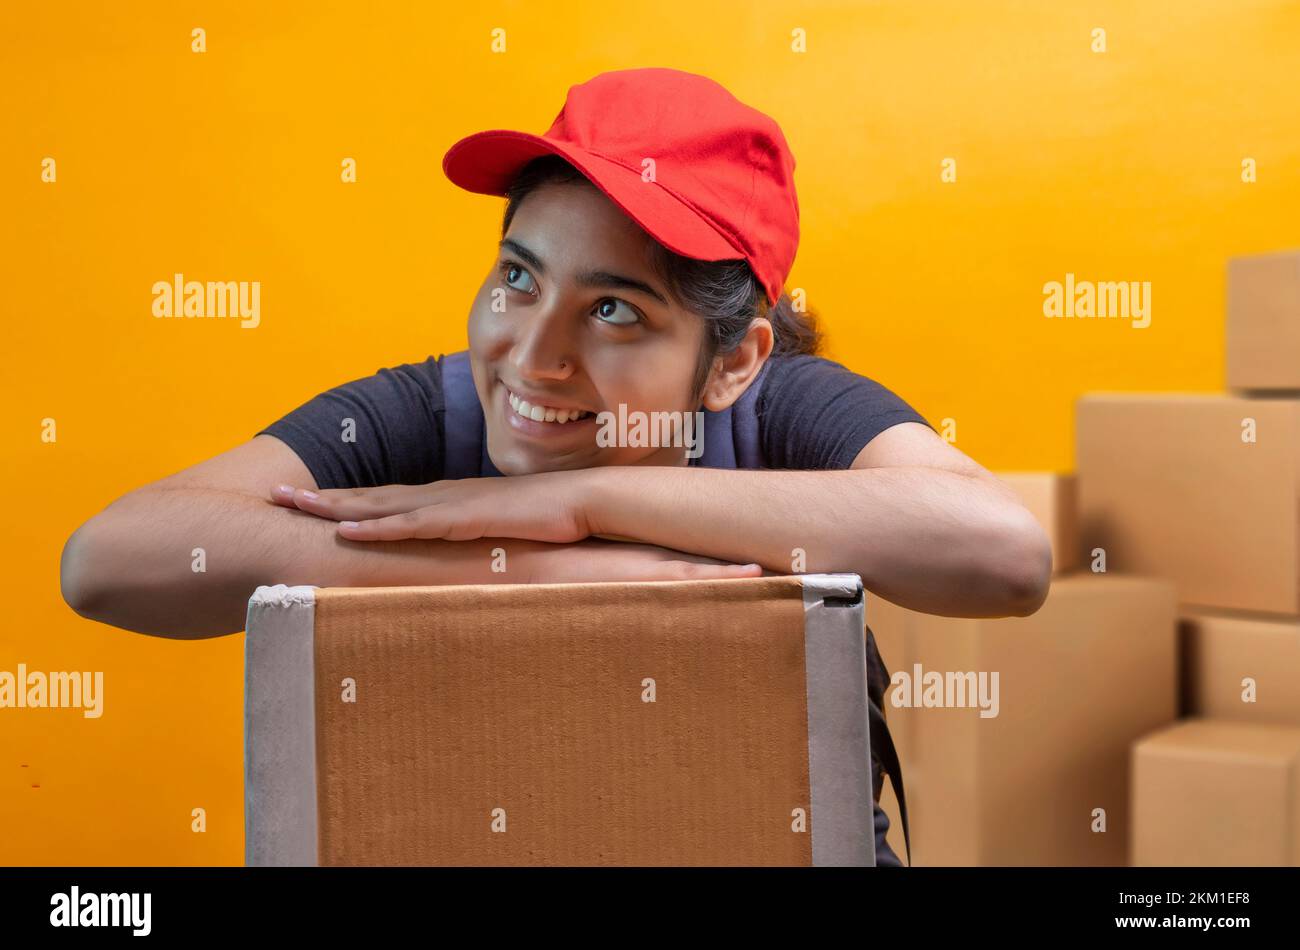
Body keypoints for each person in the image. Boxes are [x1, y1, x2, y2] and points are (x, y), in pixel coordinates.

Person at [60, 67, 1051, 866]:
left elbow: (1004, 554)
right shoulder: (422, 410)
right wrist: (525, 568)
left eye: (614, 308)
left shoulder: (784, 407)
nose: (534, 356)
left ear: (734, 360)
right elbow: (109, 559)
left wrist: (575, 498)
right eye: (518, 278)